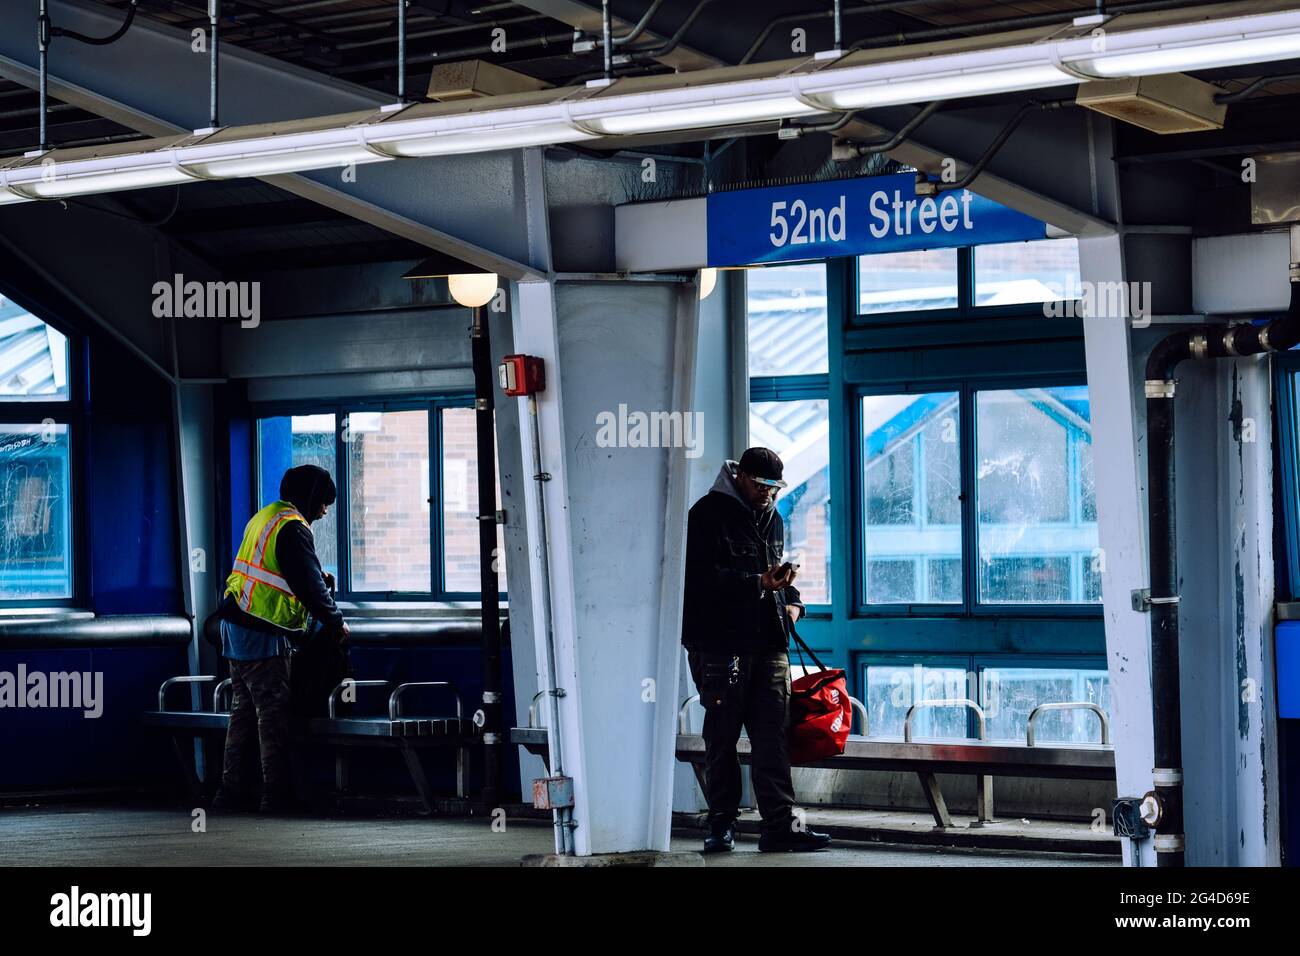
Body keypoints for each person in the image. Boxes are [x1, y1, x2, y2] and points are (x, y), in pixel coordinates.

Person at [681, 447, 831, 853]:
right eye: (761, 485)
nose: (768, 493)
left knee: (773, 738)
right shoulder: (707, 515)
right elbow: (697, 582)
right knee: (722, 736)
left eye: (774, 487)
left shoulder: (773, 518)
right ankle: (721, 825)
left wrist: (793, 601)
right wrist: (758, 584)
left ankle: (779, 826)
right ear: (740, 477)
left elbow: (772, 573)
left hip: (768, 645)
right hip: (721, 648)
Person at [211, 464, 349, 813]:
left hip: (235, 624)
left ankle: (229, 793)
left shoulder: (266, 516)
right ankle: (275, 797)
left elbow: (282, 569)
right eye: (323, 503)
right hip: (261, 632)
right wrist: (336, 622)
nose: (324, 511)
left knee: (242, 713)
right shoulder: (292, 527)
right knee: (272, 717)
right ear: (311, 497)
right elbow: (308, 586)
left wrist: (317, 576)